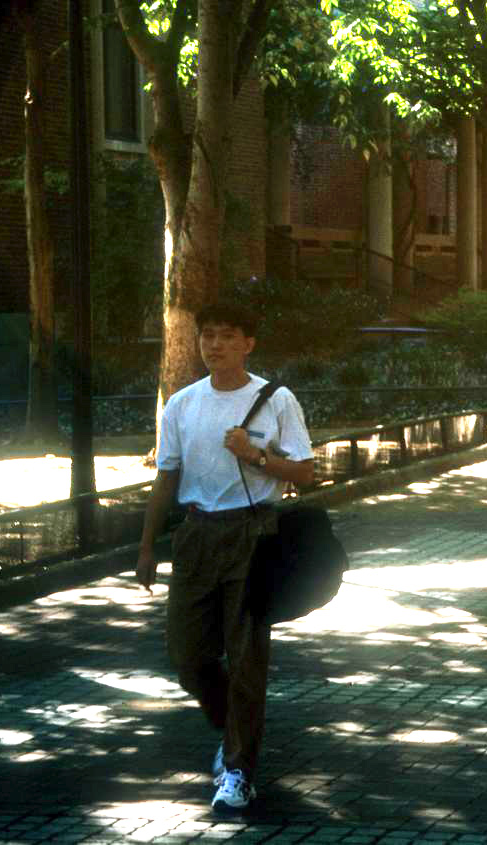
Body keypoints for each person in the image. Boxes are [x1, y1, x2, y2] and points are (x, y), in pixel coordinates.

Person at [136, 303, 316, 816]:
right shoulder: (182, 404)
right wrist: (147, 545)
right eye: (207, 336)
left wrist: (256, 456)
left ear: (248, 344)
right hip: (196, 535)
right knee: (187, 655)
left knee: (246, 659)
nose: (215, 346)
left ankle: (238, 770)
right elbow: (166, 476)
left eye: (227, 336)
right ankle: (231, 725)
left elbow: (304, 473)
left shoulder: (276, 400)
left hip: (253, 533)